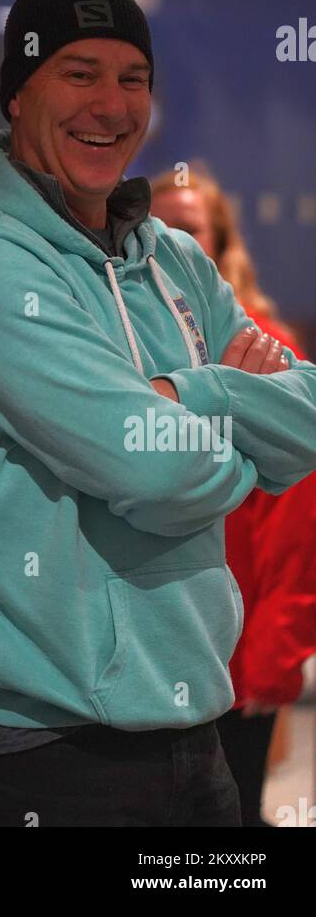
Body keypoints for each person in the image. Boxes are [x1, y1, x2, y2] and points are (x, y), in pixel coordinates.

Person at [0, 0, 316, 827]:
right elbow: (154, 468)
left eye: (132, 78)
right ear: (18, 95)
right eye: (80, 73)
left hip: (193, 723)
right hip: (46, 746)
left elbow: (309, 416)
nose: (111, 104)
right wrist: (238, 433)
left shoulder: (173, 259)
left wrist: (182, 394)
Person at [151, 166, 316, 827]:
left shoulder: (268, 348)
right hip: (158, 637)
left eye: (189, 229)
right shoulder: (126, 348)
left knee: (231, 818)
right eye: (158, 227)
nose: (172, 241)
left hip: (239, 645)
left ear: (218, 243)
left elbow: (297, 522)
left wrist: (276, 646)